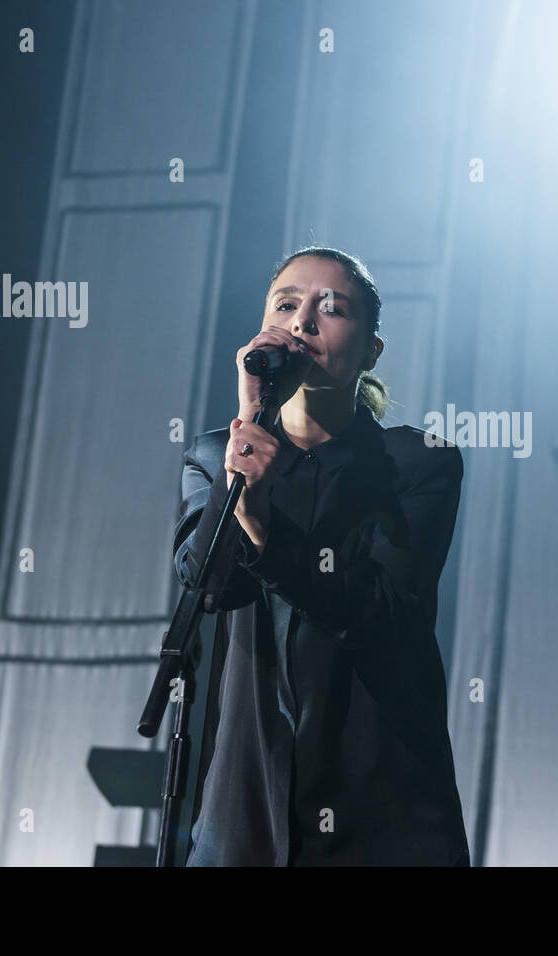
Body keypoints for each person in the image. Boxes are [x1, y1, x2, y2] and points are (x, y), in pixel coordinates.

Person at [172, 246, 471, 866]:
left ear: (371, 351)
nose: (303, 322)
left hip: (381, 813)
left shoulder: (417, 463)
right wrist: (248, 430)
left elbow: (381, 613)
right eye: (286, 305)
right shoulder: (215, 456)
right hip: (242, 813)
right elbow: (207, 586)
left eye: (331, 309)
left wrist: (265, 529)